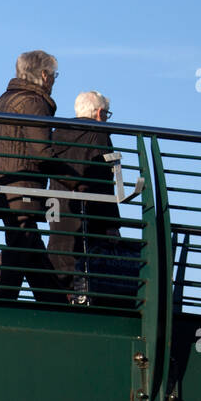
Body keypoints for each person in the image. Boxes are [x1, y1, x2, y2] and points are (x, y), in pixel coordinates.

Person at [0, 50, 68, 303]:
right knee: (22, 241)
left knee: (26, 241)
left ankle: (55, 303)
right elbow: (42, 152)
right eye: (55, 75)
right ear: (45, 76)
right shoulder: (35, 103)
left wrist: (1, 158)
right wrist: (71, 173)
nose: (55, 81)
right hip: (22, 188)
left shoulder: (3, 100)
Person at [48, 91, 131, 305]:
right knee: (90, 277)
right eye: (107, 115)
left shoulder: (57, 133)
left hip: (58, 215)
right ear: (100, 113)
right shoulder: (99, 134)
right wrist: (112, 224)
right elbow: (102, 181)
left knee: (61, 277)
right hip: (90, 219)